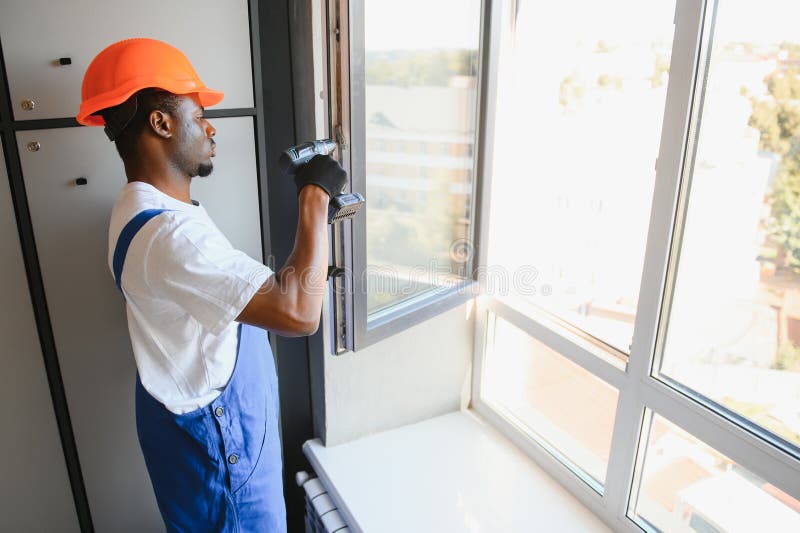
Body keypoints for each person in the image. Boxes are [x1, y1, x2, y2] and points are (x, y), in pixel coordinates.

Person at [76, 38, 346, 533]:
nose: (210, 126)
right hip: (222, 448)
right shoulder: (173, 235)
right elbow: (299, 314)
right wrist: (315, 199)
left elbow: (235, 289)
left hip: (189, 423)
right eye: (198, 113)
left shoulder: (137, 206)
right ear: (162, 123)